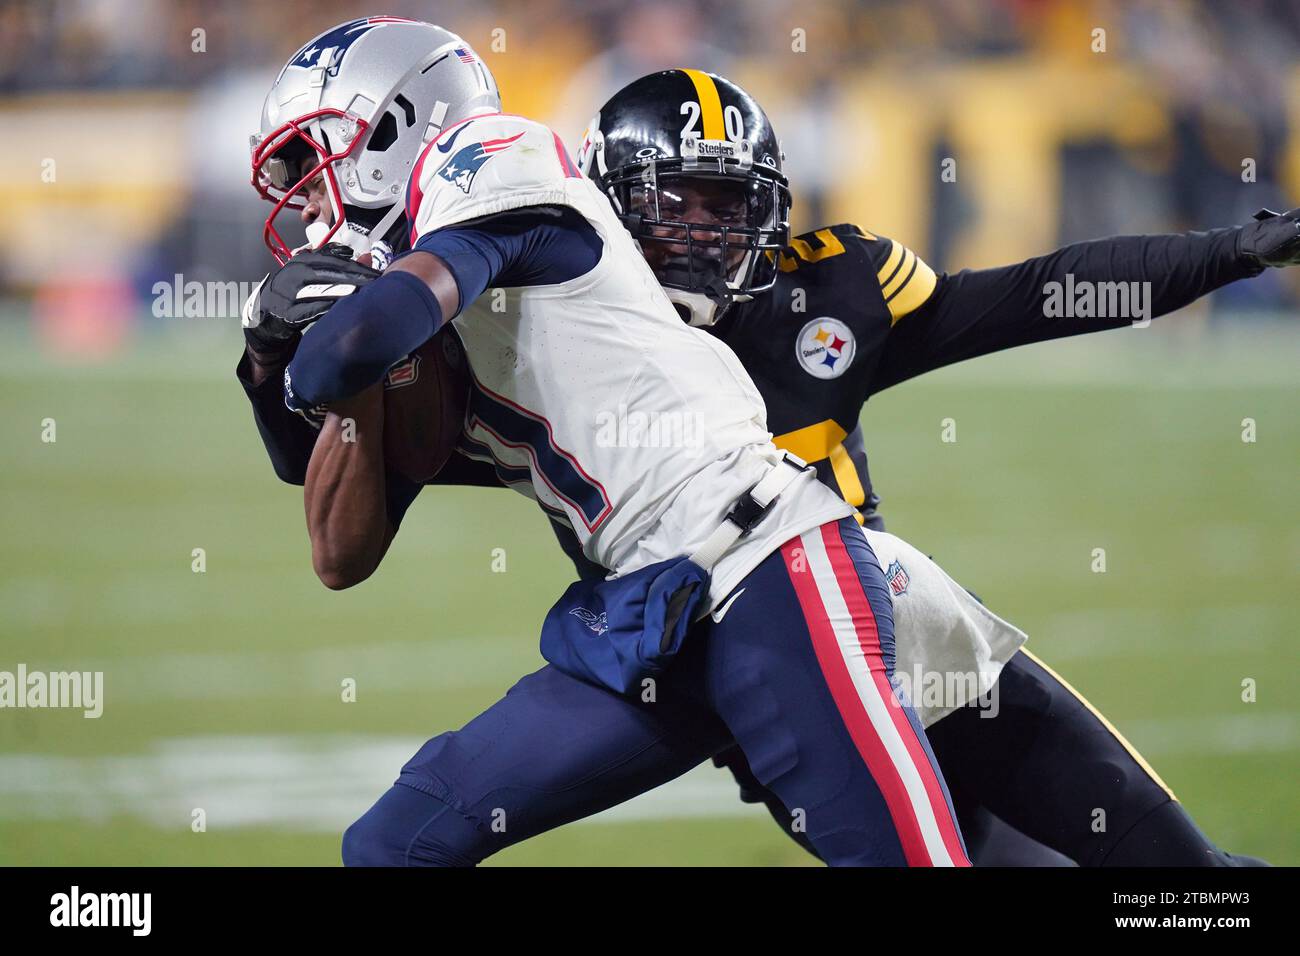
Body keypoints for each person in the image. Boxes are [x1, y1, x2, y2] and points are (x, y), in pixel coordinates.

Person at [242, 17, 969, 866]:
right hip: (647, 616)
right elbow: (337, 548)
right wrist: (265, 346)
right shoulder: (410, 285)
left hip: (772, 568)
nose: (308, 202)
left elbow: (350, 349)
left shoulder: (490, 161)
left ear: (390, 128)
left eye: (312, 160)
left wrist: (311, 348)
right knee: (396, 846)